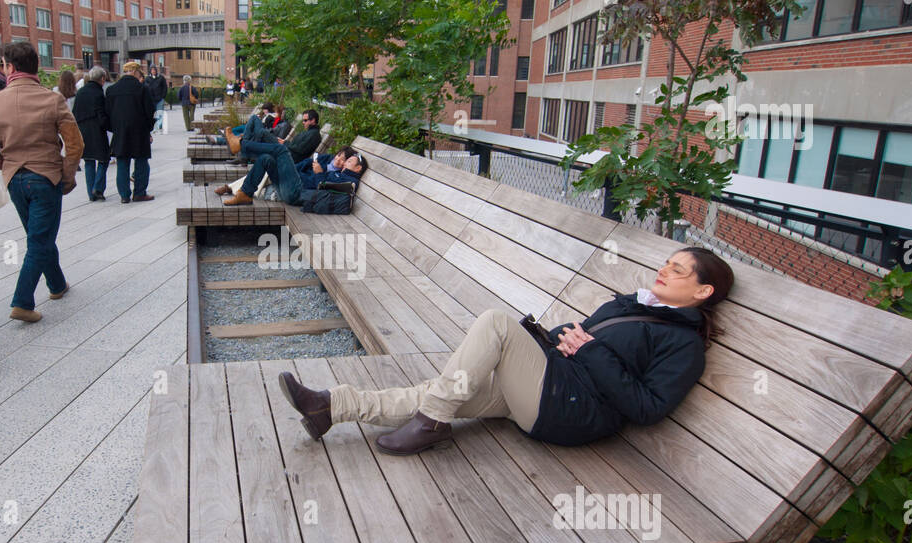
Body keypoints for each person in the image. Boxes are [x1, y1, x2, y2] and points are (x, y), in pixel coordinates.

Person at [279, 248, 736, 456]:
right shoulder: (637, 304)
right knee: (446, 388)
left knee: (495, 323)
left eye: (677, 269)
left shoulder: (684, 345)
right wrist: (559, 338)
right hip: (553, 385)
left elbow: (648, 408)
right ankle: (331, 407)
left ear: (703, 290)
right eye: (667, 261)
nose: (664, 269)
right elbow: (584, 338)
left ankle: (431, 422)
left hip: (570, 412)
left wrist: (592, 351)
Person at [0, 41, 84, 323]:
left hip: (14, 179)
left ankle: (57, 284)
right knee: (40, 238)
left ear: (10, 68)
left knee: (39, 235)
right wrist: (67, 173)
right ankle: (22, 300)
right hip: (46, 176)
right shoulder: (52, 100)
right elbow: (74, 143)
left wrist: (7, 166)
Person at [212, 110, 324, 198]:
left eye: (305, 120)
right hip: (284, 150)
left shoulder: (314, 135)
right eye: (303, 120)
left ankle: (243, 151)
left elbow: (300, 149)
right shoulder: (308, 133)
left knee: (259, 127)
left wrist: (285, 143)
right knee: (254, 122)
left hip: (286, 155)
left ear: (313, 120)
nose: (303, 123)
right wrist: (285, 142)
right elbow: (297, 146)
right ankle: (242, 152)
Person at [222, 139, 365, 207]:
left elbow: (322, 190)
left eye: (349, 161)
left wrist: (319, 173)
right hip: (293, 187)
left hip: (298, 193)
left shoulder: (349, 182)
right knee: (266, 159)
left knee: (281, 150)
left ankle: (241, 145)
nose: (344, 163)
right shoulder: (341, 175)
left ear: (358, 169)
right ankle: (245, 194)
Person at [104, 60, 156, 203]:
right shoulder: (142, 89)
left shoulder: (111, 90)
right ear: (135, 72)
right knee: (141, 162)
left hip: (120, 131)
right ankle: (139, 193)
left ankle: (124, 195)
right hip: (139, 130)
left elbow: (106, 113)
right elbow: (150, 111)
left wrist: (114, 128)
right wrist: (149, 128)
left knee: (122, 162)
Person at [73, 65, 112, 201]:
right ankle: (98, 188)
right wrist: (109, 126)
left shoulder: (81, 92)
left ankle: (91, 193)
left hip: (82, 130)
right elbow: (101, 115)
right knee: (104, 159)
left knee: (89, 161)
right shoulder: (99, 93)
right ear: (102, 79)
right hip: (96, 130)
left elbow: (74, 113)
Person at [145, 66, 168, 133]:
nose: (153, 71)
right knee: (152, 113)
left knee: (160, 113)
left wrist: (163, 96)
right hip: (151, 99)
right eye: (152, 70)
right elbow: (146, 88)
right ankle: (154, 126)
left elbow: (165, 87)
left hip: (159, 98)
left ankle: (159, 127)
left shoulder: (161, 78)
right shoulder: (147, 78)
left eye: (154, 70)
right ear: (150, 71)